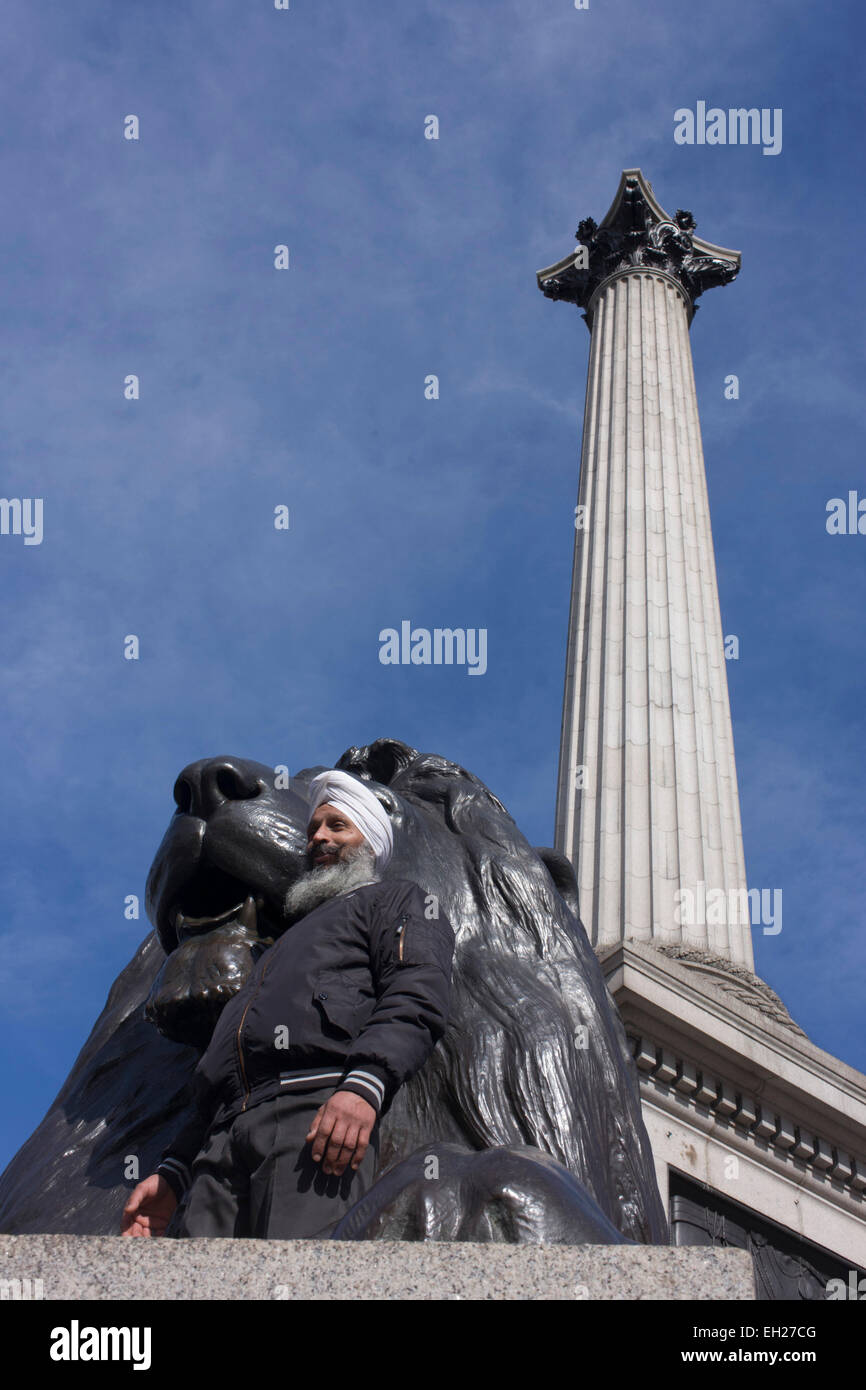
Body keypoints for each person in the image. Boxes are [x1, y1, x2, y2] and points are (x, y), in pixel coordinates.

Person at [121, 769, 454, 1239]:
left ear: (371, 843)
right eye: (314, 828)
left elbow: (417, 994)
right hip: (221, 1139)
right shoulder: (280, 942)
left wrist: (364, 1086)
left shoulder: (395, 901)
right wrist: (174, 1169)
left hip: (315, 1120)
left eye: (337, 826)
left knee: (300, 1275)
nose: (319, 837)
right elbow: (223, 1064)